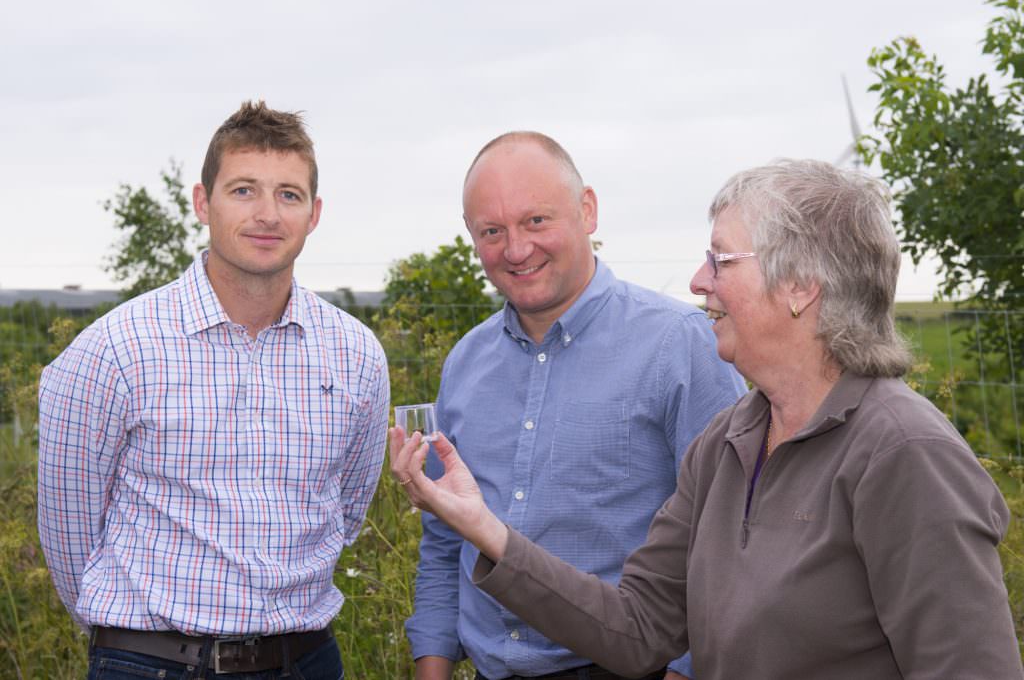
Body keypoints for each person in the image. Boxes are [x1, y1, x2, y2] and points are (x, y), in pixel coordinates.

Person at [392, 159, 1024, 679]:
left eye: (723, 260)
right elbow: (639, 629)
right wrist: (484, 528)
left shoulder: (903, 453)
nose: (699, 281)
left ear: (801, 284)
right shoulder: (729, 441)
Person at [38, 100, 390, 679]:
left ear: (315, 213)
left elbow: (347, 512)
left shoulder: (356, 355)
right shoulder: (114, 351)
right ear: (204, 202)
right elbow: (69, 531)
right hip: (151, 663)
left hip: (307, 661)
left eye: (289, 194)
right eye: (244, 190)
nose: (268, 214)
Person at [404, 131, 746, 680]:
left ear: (587, 210)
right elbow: (445, 540)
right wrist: (433, 666)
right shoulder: (466, 364)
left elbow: (727, 534)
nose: (516, 250)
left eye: (536, 221)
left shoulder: (679, 345)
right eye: (493, 231)